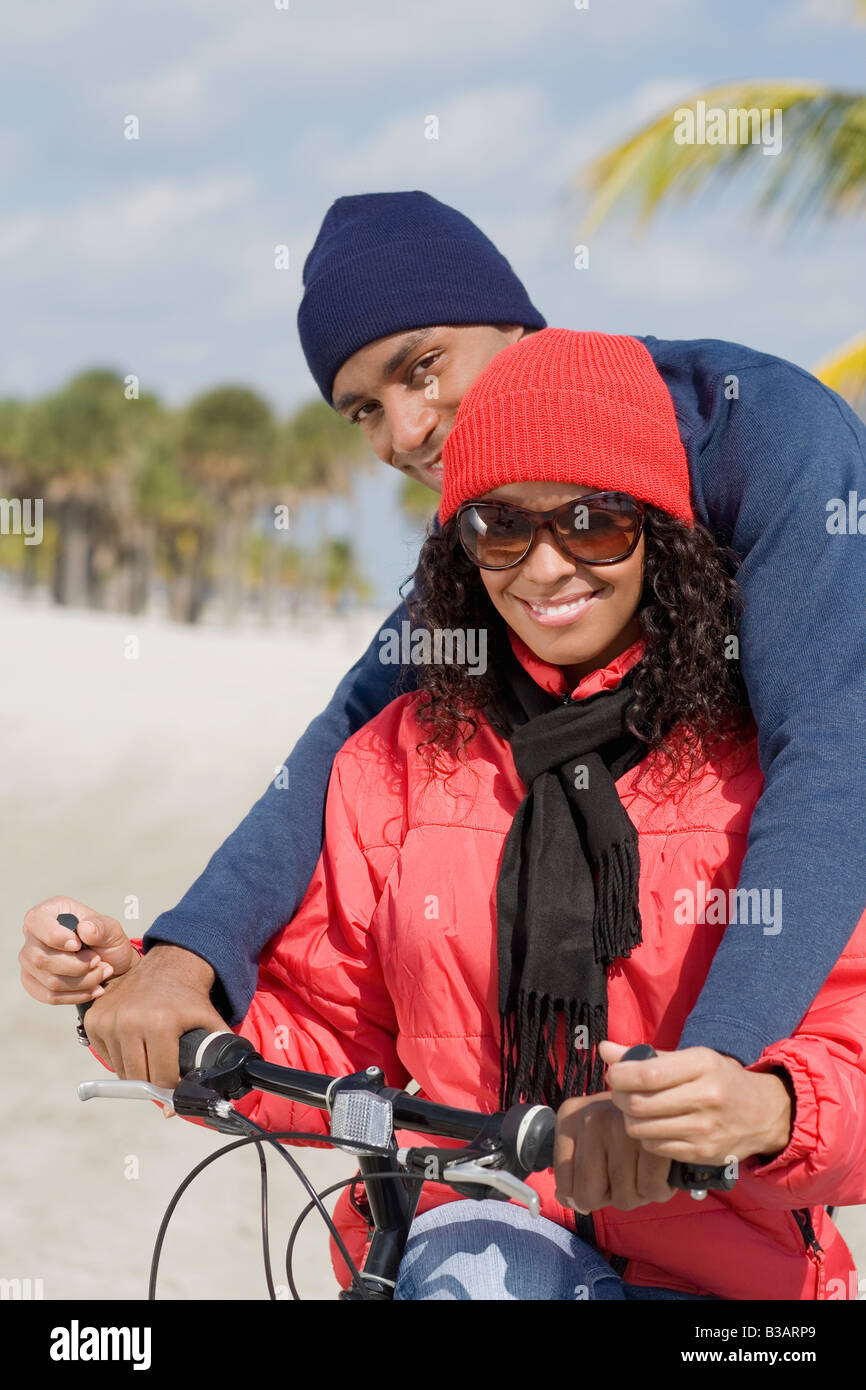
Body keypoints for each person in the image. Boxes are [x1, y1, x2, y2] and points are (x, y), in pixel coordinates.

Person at [66, 330, 866, 1299]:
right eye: (501, 527)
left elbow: (842, 1052)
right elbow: (335, 1032)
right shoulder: (395, 762)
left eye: (593, 522)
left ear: (664, 532)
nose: (542, 567)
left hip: (730, 1289)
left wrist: (765, 1107)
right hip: (468, 1250)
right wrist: (157, 1016)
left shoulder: (762, 784)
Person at [20, 192, 866, 1104]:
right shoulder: (483, 531)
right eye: (363, 412)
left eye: (421, 367)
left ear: (518, 327)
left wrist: (725, 1068)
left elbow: (834, 748)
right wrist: (185, 958)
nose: (405, 431)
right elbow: (349, 730)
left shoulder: (764, 432)